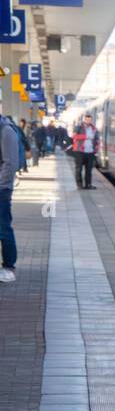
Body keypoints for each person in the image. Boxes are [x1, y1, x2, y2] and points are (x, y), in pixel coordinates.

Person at [0, 112, 23, 283]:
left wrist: (2, 186)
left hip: (1, 189)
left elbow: (10, 163)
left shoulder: (6, 131)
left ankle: (9, 266)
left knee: (3, 228)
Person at [71, 113, 97, 189]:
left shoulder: (93, 129)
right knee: (79, 169)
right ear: (84, 120)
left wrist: (96, 147)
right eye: (87, 119)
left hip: (90, 152)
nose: (89, 121)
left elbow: (96, 138)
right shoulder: (78, 128)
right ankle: (79, 185)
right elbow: (74, 136)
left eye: (90, 120)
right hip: (79, 151)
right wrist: (86, 137)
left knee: (89, 170)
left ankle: (88, 184)